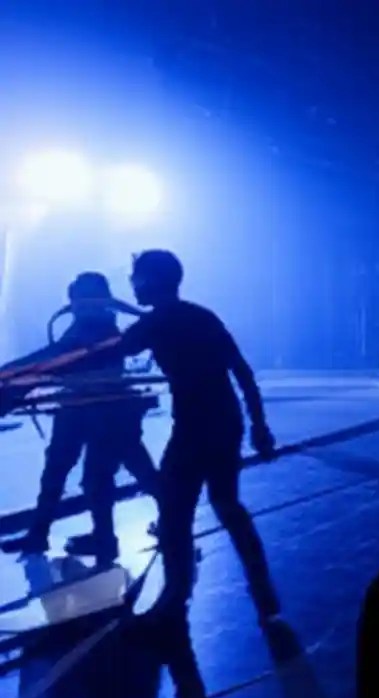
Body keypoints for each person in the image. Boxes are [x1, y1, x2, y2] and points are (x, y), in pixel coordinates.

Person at [110, 250, 281, 620]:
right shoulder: (202, 316)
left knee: (175, 512)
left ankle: (175, 596)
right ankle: (262, 588)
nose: (133, 285)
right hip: (226, 420)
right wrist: (259, 426)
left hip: (194, 427)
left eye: (136, 278)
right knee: (227, 504)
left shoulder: (156, 323)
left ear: (151, 280)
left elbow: (111, 351)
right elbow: (243, 373)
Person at [0, 273, 157, 561]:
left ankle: (113, 537)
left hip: (106, 413)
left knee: (104, 475)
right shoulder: (92, 329)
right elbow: (52, 360)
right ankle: (44, 535)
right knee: (62, 472)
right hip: (78, 408)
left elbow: (51, 361)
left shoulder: (98, 334)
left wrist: (8, 380)